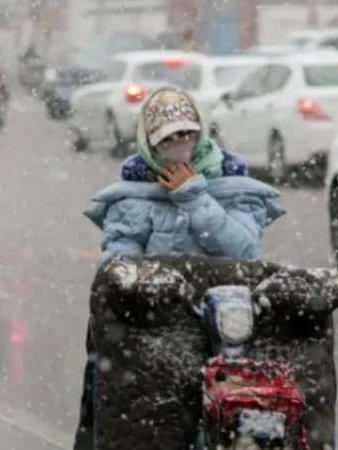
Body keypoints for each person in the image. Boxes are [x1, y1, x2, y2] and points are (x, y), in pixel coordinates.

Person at [75, 86, 285, 448]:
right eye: (168, 138)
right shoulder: (131, 198)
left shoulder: (235, 188)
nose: (180, 143)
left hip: (228, 331)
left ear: (201, 131)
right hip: (157, 334)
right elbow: (118, 267)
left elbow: (242, 251)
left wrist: (193, 195)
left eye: (187, 133)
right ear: (150, 144)